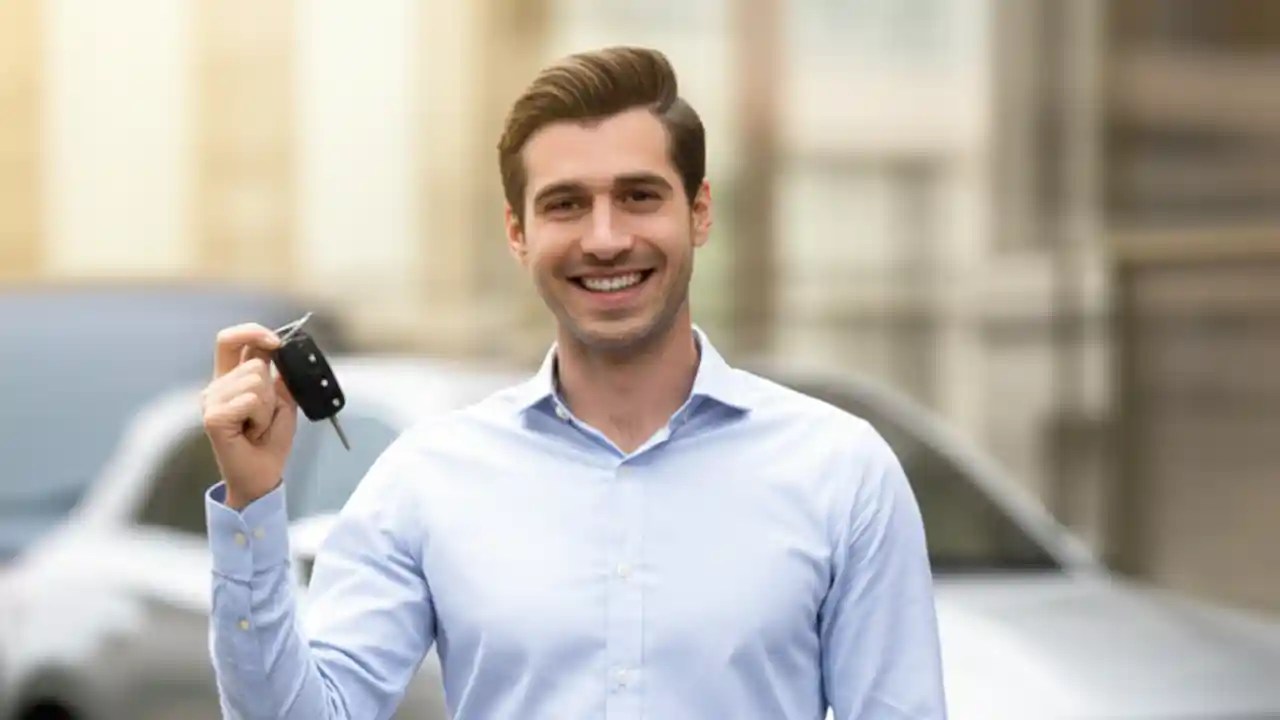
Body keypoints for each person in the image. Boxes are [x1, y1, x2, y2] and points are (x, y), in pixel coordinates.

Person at [201, 46, 947, 719]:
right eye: (566, 204)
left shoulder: (841, 473)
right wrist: (252, 502)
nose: (606, 238)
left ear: (699, 213)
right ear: (518, 232)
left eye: (639, 196)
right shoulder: (427, 481)